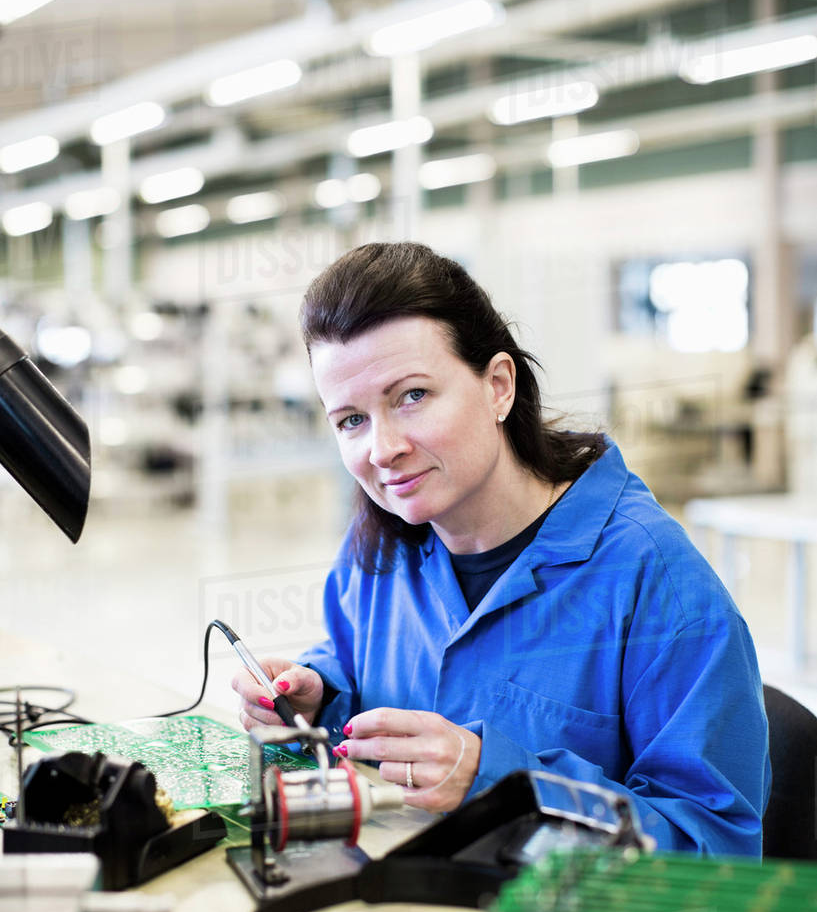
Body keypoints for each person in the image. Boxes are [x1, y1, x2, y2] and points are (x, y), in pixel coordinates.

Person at [234, 241, 770, 856]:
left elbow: (717, 850)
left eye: (411, 396)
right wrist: (319, 699)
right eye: (350, 420)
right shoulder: (378, 548)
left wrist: (499, 779)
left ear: (498, 386)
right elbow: (351, 666)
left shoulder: (655, 581)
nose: (382, 450)